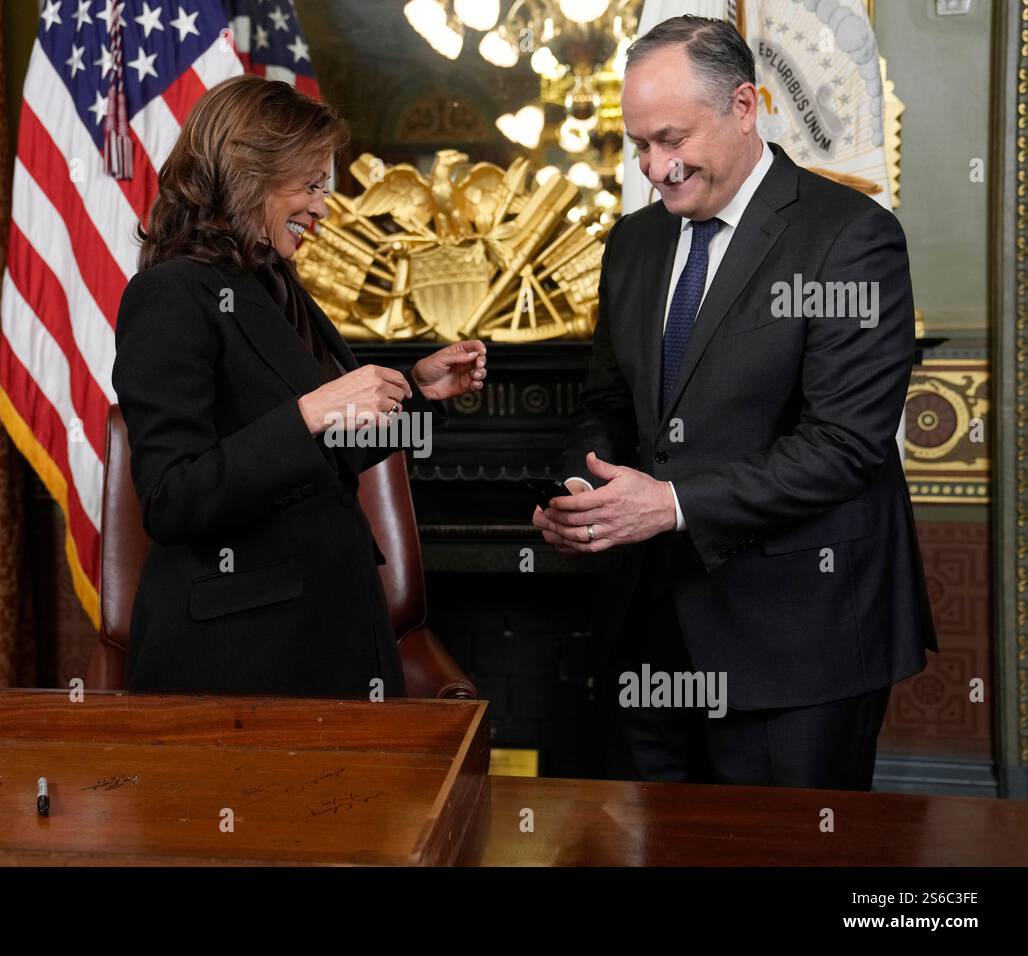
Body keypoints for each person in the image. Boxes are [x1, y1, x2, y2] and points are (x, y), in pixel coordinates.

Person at [533, 16, 937, 789]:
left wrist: (671, 504)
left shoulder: (850, 238)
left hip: (799, 643)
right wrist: (583, 492)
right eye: (640, 145)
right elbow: (607, 406)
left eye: (672, 138)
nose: (656, 166)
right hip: (648, 637)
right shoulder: (634, 244)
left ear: (744, 106)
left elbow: (844, 444)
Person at [113, 75, 486, 699]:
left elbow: (321, 455)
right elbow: (172, 499)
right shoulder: (169, 294)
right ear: (246, 174)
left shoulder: (271, 283)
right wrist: (309, 411)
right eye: (309, 185)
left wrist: (418, 391)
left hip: (333, 620)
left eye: (325, 186)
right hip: (241, 651)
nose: (322, 206)